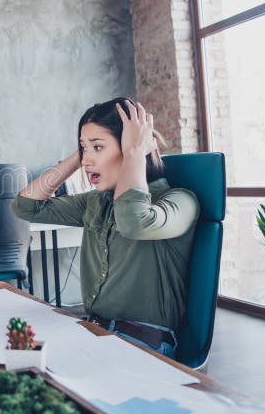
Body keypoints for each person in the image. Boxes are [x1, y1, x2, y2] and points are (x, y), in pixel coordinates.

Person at [12, 98, 199, 358]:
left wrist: (135, 153)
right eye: (83, 149)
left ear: (133, 146)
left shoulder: (180, 200)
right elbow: (26, 207)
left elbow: (134, 221)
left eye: (98, 147)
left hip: (145, 344)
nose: (87, 161)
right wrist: (79, 156)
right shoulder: (96, 202)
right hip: (94, 332)